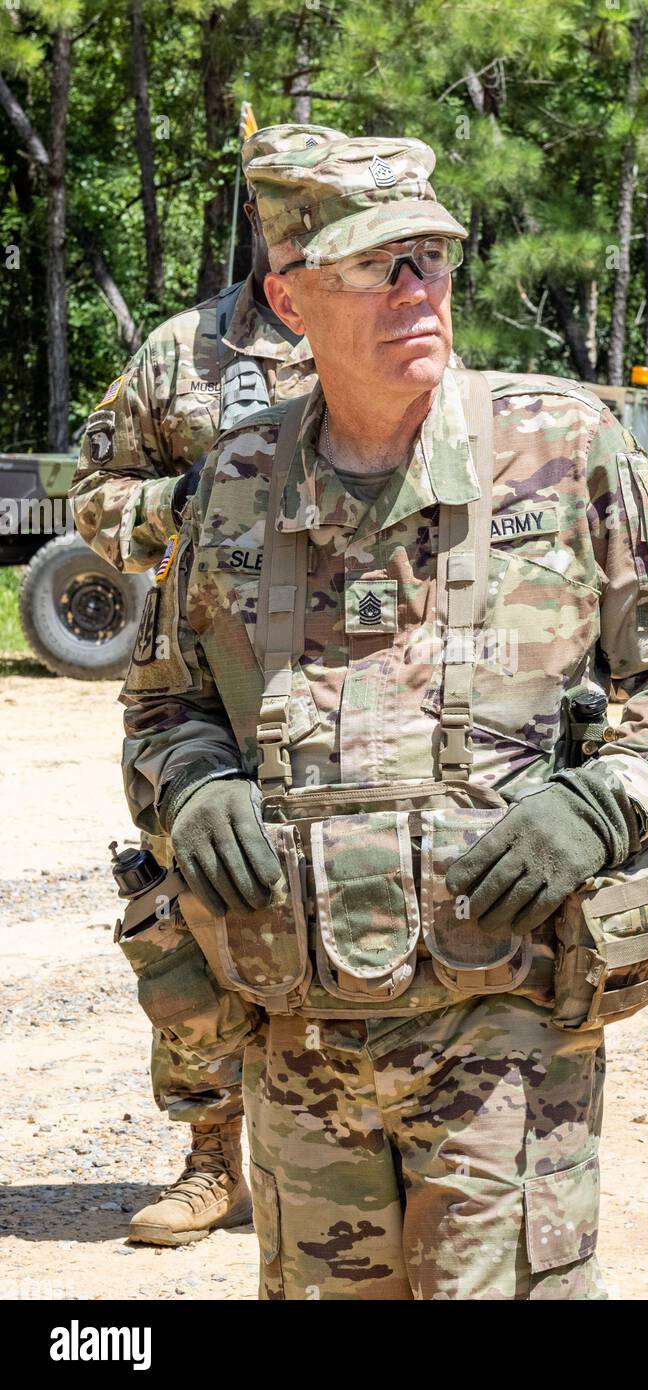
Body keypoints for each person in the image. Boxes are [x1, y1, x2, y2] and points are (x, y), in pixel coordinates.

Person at [119, 134, 648, 1298]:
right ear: (289, 299)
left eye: (431, 258)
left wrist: (607, 798)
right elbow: (166, 701)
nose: (417, 290)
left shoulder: (561, 449)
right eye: (377, 266)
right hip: (297, 1037)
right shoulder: (236, 480)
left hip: (505, 1037)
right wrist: (195, 784)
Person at [69, 123, 347, 1248]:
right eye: (290, 226)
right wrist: (178, 506)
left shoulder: (383, 330)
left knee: (345, 894)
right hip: (198, 686)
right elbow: (92, 495)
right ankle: (209, 1158)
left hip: (346, 677)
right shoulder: (181, 354)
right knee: (190, 913)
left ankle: (337, 1150)